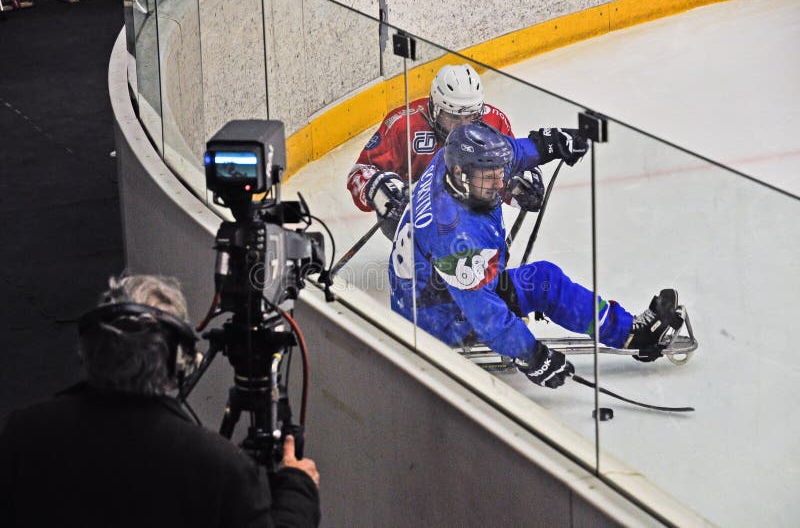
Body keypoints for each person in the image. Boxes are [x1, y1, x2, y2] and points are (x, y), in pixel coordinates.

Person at [0, 275, 321, 527]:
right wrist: (297, 487)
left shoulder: (23, 432)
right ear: (178, 362)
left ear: (90, 350)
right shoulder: (219, 467)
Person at [388, 122, 685, 388]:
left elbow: (513, 153)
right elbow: (488, 315)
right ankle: (630, 334)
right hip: (435, 321)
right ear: (460, 173)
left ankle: (625, 330)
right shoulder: (456, 239)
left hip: (430, 292)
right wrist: (531, 355)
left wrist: (551, 144)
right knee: (544, 283)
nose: (500, 183)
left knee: (542, 279)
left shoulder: (450, 160)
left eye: (499, 174)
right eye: (489, 178)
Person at [346, 63, 515, 239]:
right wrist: (379, 187)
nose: (463, 126)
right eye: (454, 117)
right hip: (413, 213)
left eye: (471, 116)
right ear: (435, 109)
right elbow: (358, 172)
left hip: (470, 209)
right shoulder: (403, 126)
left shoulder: (493, 122)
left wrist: (520, 185)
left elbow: (511, 167)